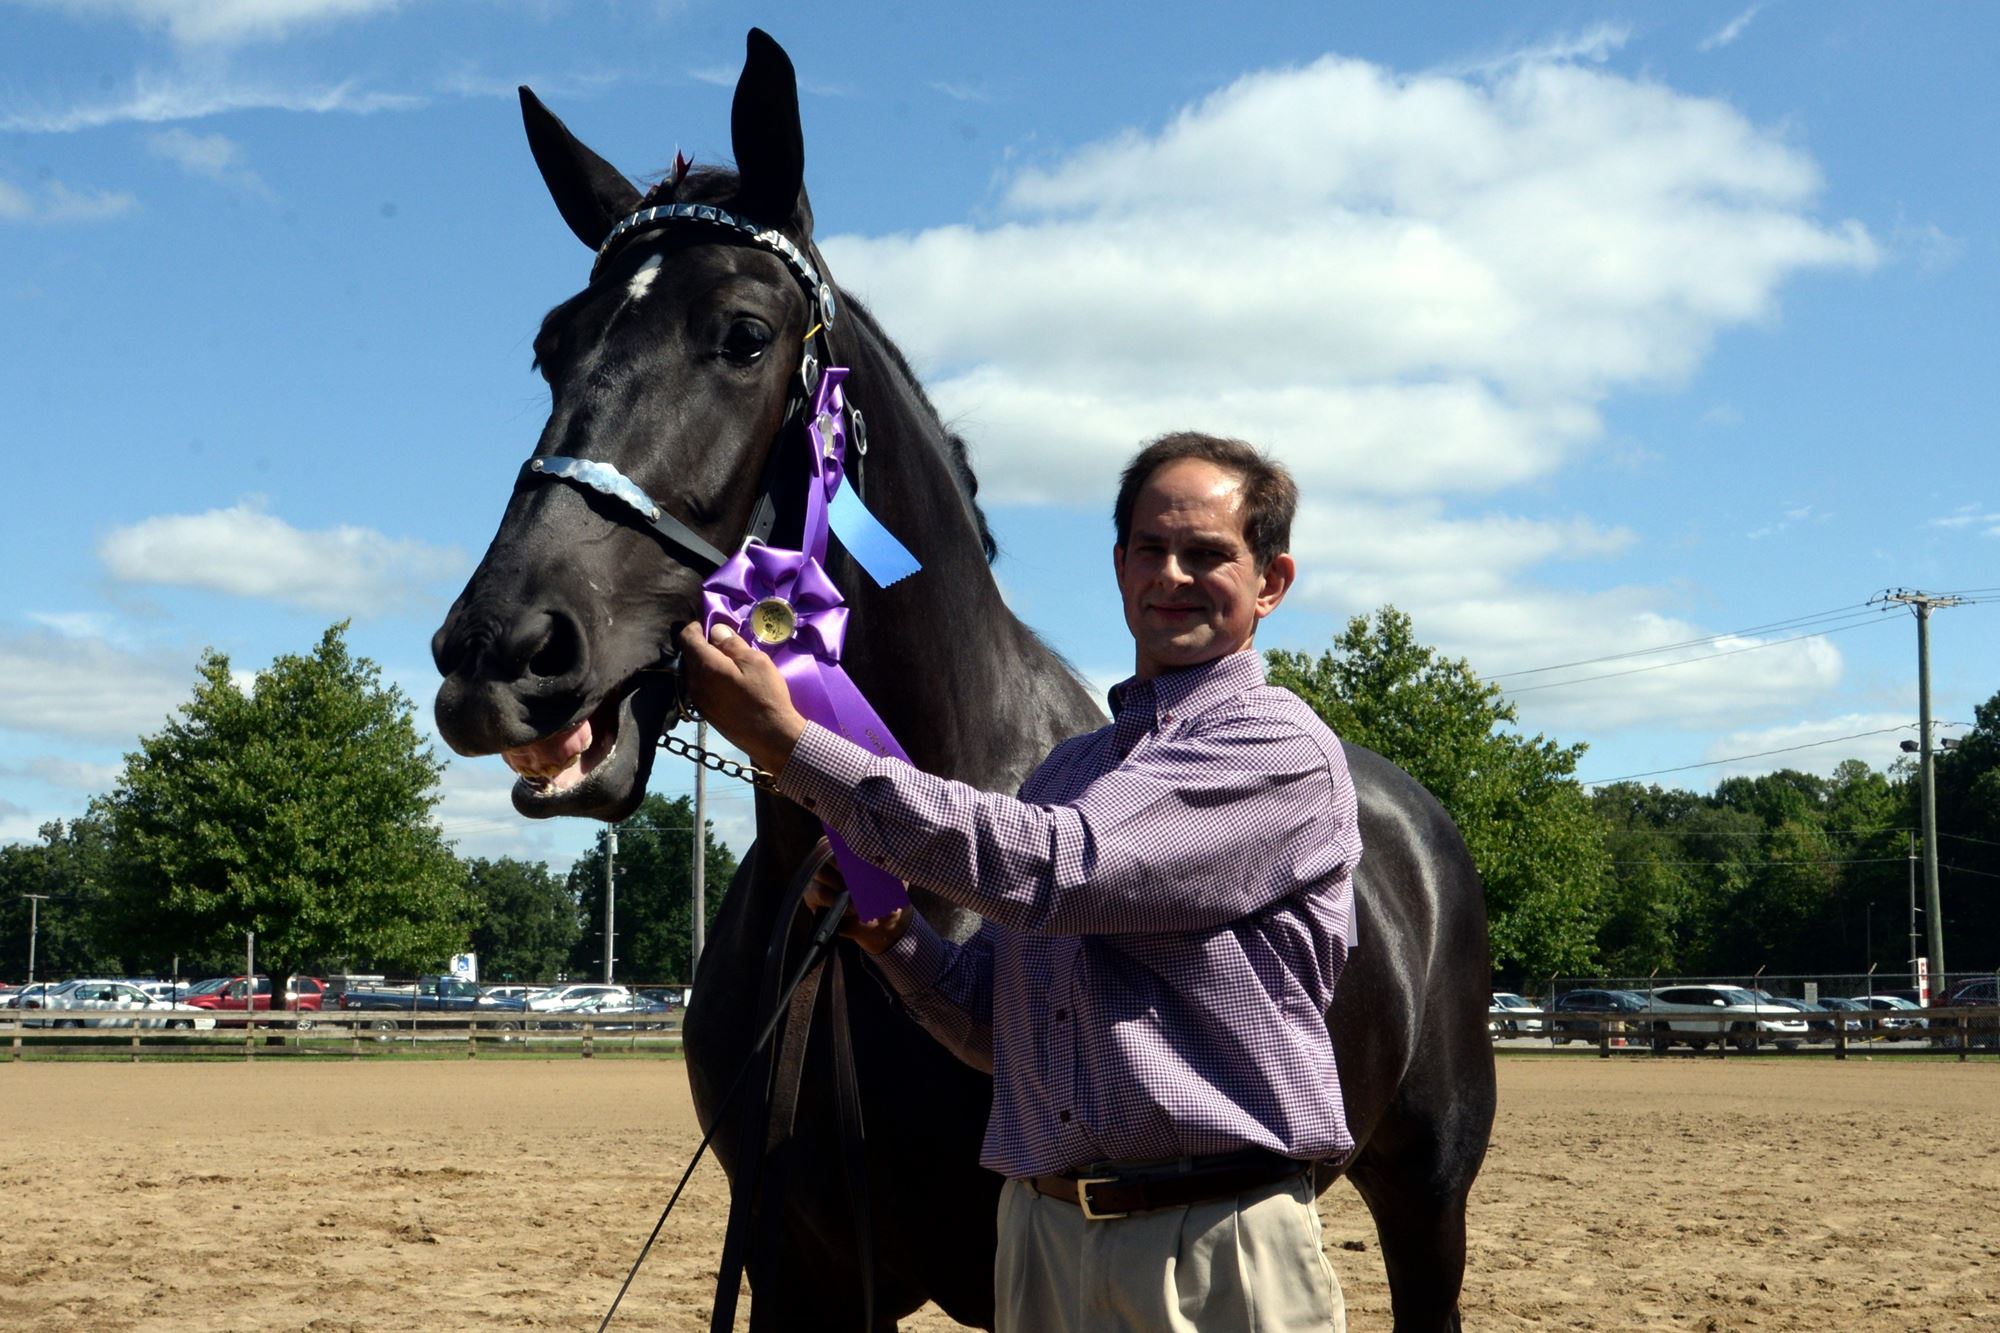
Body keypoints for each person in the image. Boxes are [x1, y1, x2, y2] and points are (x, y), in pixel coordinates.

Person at [679, 431, 1360, 1333]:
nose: (1172, 575)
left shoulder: (1277, 749)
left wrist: (794, 746)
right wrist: (895, 940)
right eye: (1151, 550)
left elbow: (1060, 868)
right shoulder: (1069, 768)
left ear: (1271, 582)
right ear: (1118, 567)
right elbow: (997, 1026)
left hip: (1210, 1248)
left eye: (1207, 555)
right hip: (1042, 1240)